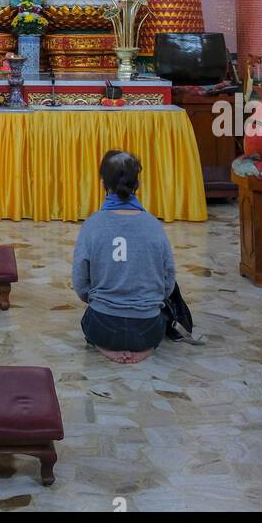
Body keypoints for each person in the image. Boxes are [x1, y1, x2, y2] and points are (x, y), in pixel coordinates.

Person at [71, 150, 176, 364]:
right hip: (147, 330)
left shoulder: (92, 225)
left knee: (87, 321)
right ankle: (144, 350)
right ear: (136, 183)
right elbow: (168, 284)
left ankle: (104, 347)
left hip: (103, 327)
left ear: (103, 183)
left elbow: (80, 284)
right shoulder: (154, 225)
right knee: (161, 317)